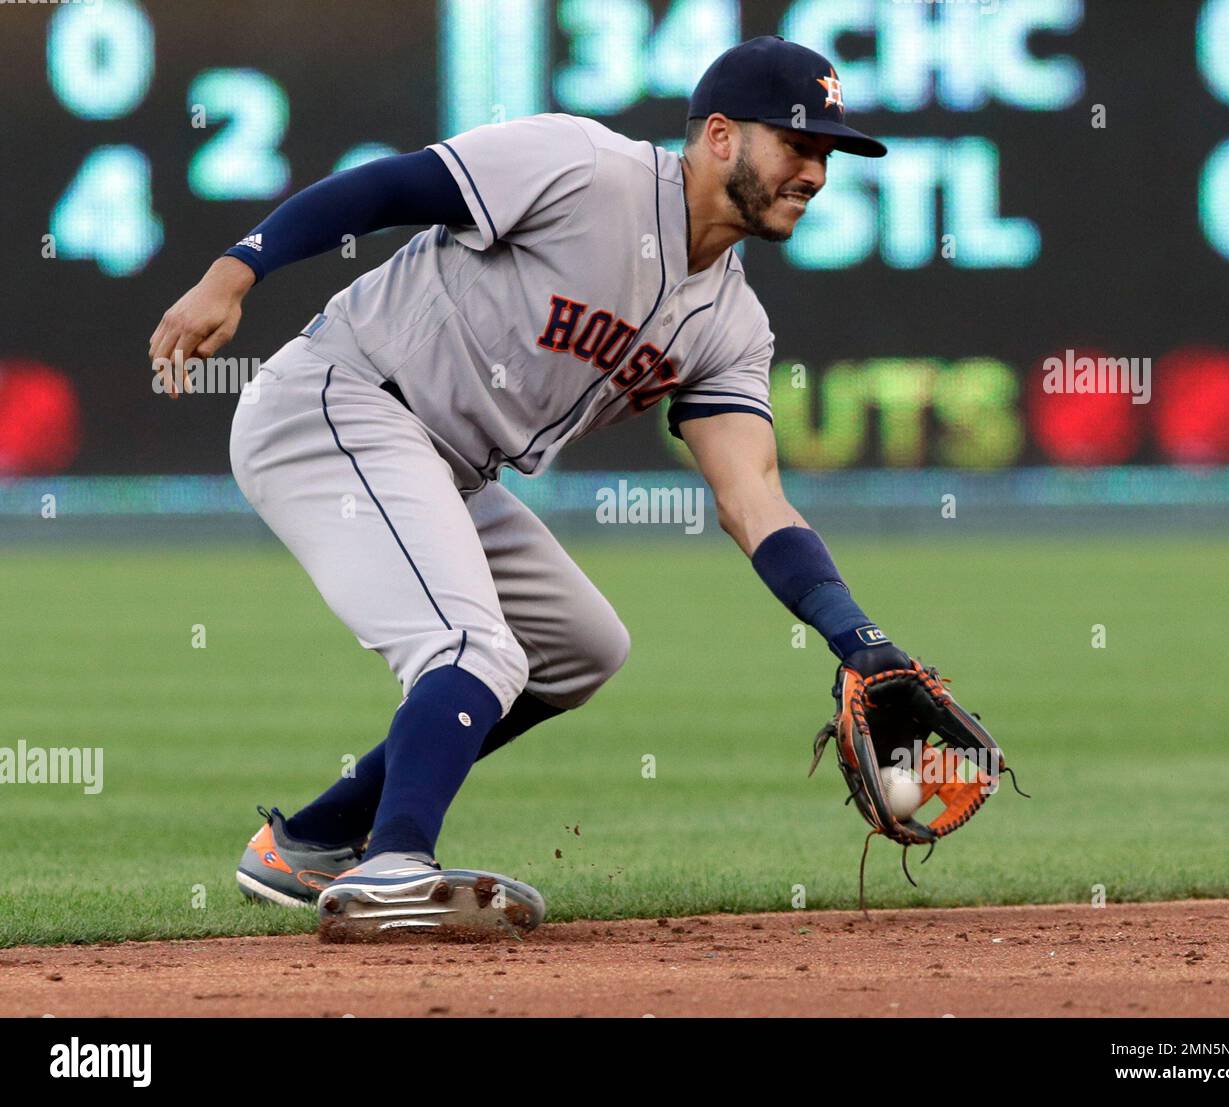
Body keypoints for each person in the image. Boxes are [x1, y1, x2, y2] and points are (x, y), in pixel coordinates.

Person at [147, 35, 907, 939]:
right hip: (340, 401)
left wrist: (855, 635)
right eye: (799, 144)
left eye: (827, 153)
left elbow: (754, 499)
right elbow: (390, 188)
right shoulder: (583, 167)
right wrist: (234, 272)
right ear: (718, 136)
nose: (815, 171)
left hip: (448, 465)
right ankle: (393, 863)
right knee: (477, 647)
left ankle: (312, 841)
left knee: (581, 646)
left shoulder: (733, 325)